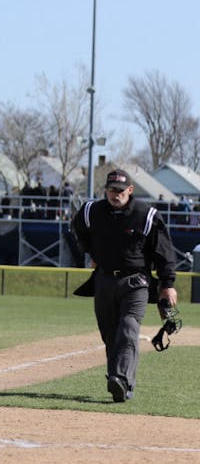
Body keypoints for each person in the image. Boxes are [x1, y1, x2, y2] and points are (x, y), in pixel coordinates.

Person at [72, 168, 178, 403]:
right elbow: (78, 230)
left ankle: (121, 379)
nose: (115, 194)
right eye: (111, 189)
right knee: (110, 333)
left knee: (128, 327)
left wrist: (167, 284)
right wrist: (91, 252)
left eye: (120, 190)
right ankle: (118, 381)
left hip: (136, 282)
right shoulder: (91, 211)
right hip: (104, 280)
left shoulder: (146, 214)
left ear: (130, 190)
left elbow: (163, 251)